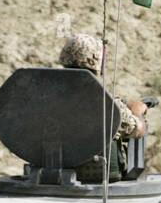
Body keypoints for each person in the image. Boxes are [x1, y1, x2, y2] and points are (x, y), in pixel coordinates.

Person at [58, 33, 148, 181]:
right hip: (97, 179)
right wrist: (137, 111)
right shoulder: (105, 103)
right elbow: (138, 130)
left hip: (53, 174)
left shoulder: (47, 96)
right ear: (97, 62)